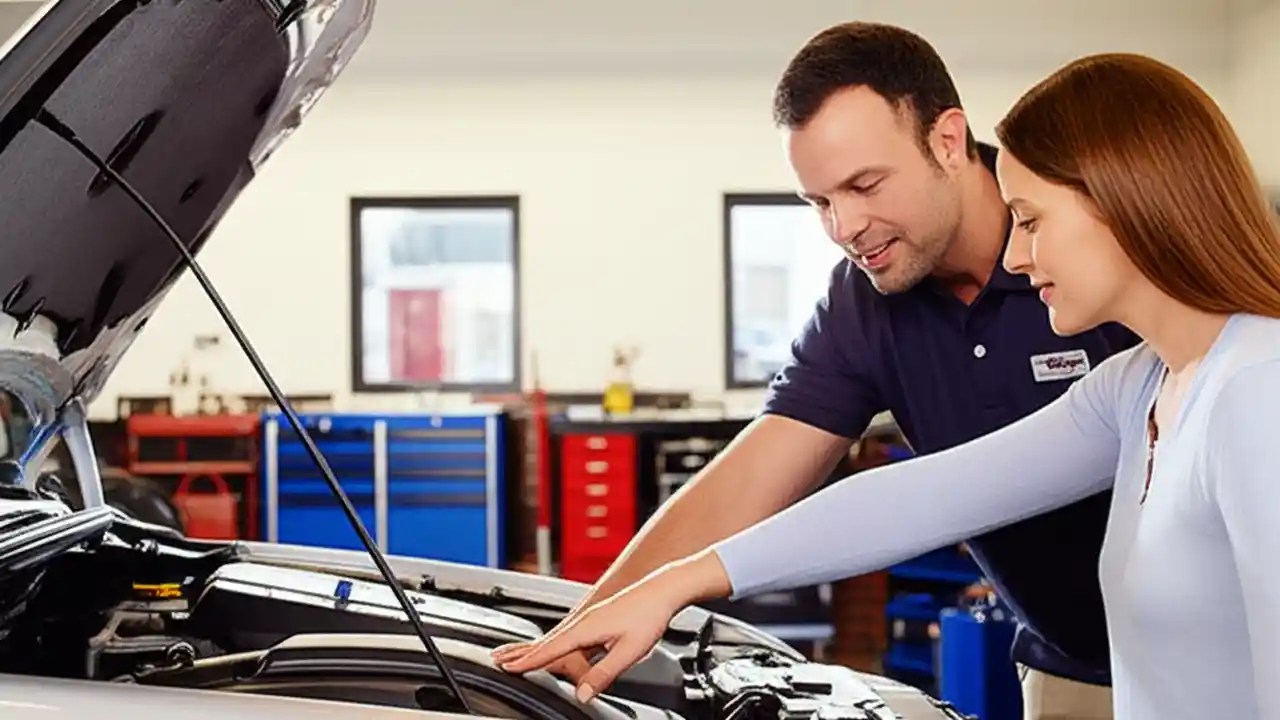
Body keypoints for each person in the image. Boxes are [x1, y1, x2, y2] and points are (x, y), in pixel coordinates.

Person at [497, 53, 1280, 720]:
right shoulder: (1135, 387)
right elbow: (928, 495)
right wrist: (651, 592)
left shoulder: (1252, 387)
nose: (842, 227)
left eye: (1032, 222)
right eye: (820, 203)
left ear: (1127, 205)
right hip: (1076, 660)